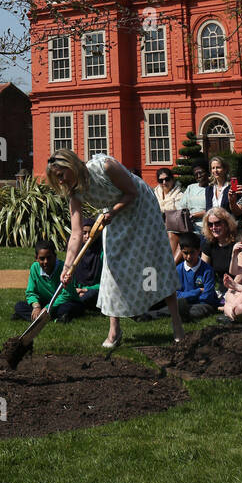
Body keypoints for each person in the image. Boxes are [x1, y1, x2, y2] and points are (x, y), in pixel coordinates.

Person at [47, 149, 183, 348]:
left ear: (71, 165)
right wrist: (67, 266)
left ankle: (177, 324)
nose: (60, 181)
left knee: (155, 261)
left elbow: (132, 192)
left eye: (61, 175)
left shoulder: (105, 166)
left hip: (141, 207)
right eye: (56, 178)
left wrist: (113, 211)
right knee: (112, 266)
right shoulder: (75, 194)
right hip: (113, 214)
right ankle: (115, 330)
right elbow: (76, 234)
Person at [145, 233, 217, 322]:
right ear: (181, 250)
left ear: (199, 250)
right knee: (172, 306)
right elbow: (176, 294)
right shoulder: (178, 269)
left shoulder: (207, 270)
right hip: (183, 302)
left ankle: (183, 315)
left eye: (192, 252)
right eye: (185, 253)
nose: (189, 256)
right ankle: (147, 315)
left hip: (201, 304)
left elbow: (207, 296)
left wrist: (186, 297)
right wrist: (197, 291)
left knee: (200, 309)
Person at [12, 239, 81, 325]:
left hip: (63, 303)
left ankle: (39, 317)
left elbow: (66, 295)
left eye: (49, 258)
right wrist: (36, 306)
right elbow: (31, 292)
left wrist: (48, 308)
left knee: (66, 308)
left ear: (55, 256)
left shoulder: (64, 269)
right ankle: (48, 317)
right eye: (42, 258)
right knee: (19, 306)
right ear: (36, 258)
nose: (46, 262)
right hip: (45, 303)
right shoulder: (34, 268)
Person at [199, 207, 241, 298]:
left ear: (227, 223)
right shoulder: (209, 244)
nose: (214, 228)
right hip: (222, 290)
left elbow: (241, 275)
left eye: (217, 223)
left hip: (239, 288)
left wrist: (230, 292)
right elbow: (203, 271)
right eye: (210, 224)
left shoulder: (238, 242)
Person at [180, 162, 210, 235]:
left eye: (201, 173)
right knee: (172, 232)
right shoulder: (191, 187)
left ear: (208, 172)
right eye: (196, 174)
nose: (198, 176)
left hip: (207, 223)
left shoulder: (212, 188)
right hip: (190, 224)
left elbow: (213, 209)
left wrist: (194, 215)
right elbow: (182, 206)